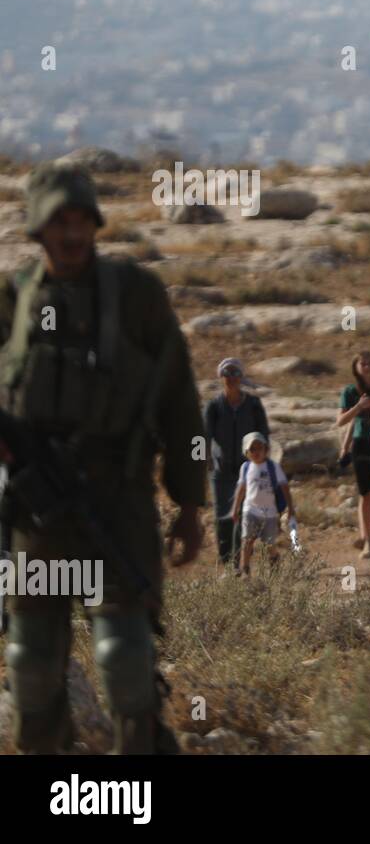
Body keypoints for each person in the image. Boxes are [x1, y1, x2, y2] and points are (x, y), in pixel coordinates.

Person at [0, 161, 205, 753]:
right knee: (32, 662)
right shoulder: (14, 298)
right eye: (57, 222)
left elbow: (180, 404)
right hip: (36, 516)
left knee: (125, 657)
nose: (69, 234)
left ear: (94, 226)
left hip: (116, 504)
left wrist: (190, 504)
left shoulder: (136, 296)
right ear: (37, 231)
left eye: (79, 221)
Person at [205, 357, 270, 567]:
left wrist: (264, 462)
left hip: (248, 469)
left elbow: (264, 434)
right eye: (227, 373)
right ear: (220, 377)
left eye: (235, 373)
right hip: (221, 470)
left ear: (241, 377)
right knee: (223, 516)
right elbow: (202, 436)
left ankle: (241, 563)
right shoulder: (214, 406)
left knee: (245, 515)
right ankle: (226, 561)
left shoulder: (253, 405)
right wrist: (202, 460)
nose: (231, 378)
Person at [337, 351, 370, 557]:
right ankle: (367, 540)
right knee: (365, 495)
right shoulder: (350, 391)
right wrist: (359, 406)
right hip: (361, 444)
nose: (366, 366)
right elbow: (341, 421)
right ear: (355, 367)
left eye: (369, 363)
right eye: (362, 363)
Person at [232, 432, 298, 576]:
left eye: (259, 448)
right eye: (252, 449)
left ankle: (274, 566)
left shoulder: (273, 467)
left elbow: (284, 488)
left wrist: (291, 508)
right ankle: (245, 571)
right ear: (246, 452)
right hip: (250, 510)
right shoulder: (245, 468)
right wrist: (235, 509)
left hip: (269, 513)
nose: (256, 452)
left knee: (269, 544)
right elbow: (241, 488)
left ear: (266, 450)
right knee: (246, 541)